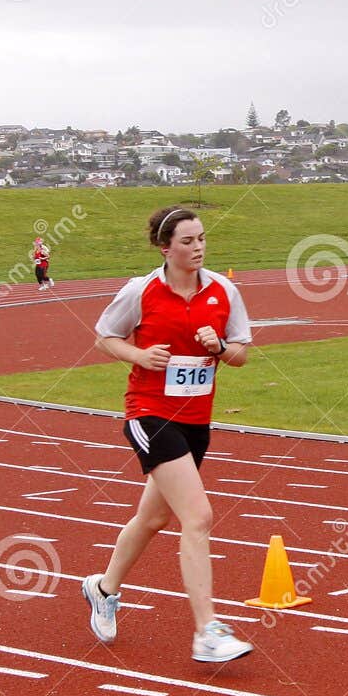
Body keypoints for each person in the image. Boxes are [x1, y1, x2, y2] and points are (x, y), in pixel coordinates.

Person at [81, 206, 255, 663]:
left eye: (201, 239)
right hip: (150, 413)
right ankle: (207, 632)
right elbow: (104, 337)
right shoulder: (141, 291)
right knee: (197, 516)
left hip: (196, 420)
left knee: (154, 519)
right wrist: (139, 356)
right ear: (165, 247)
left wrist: (220, 348)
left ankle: (103, 588)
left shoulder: (223, 290)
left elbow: (241, 354)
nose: (197, 248)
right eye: (187, 241)